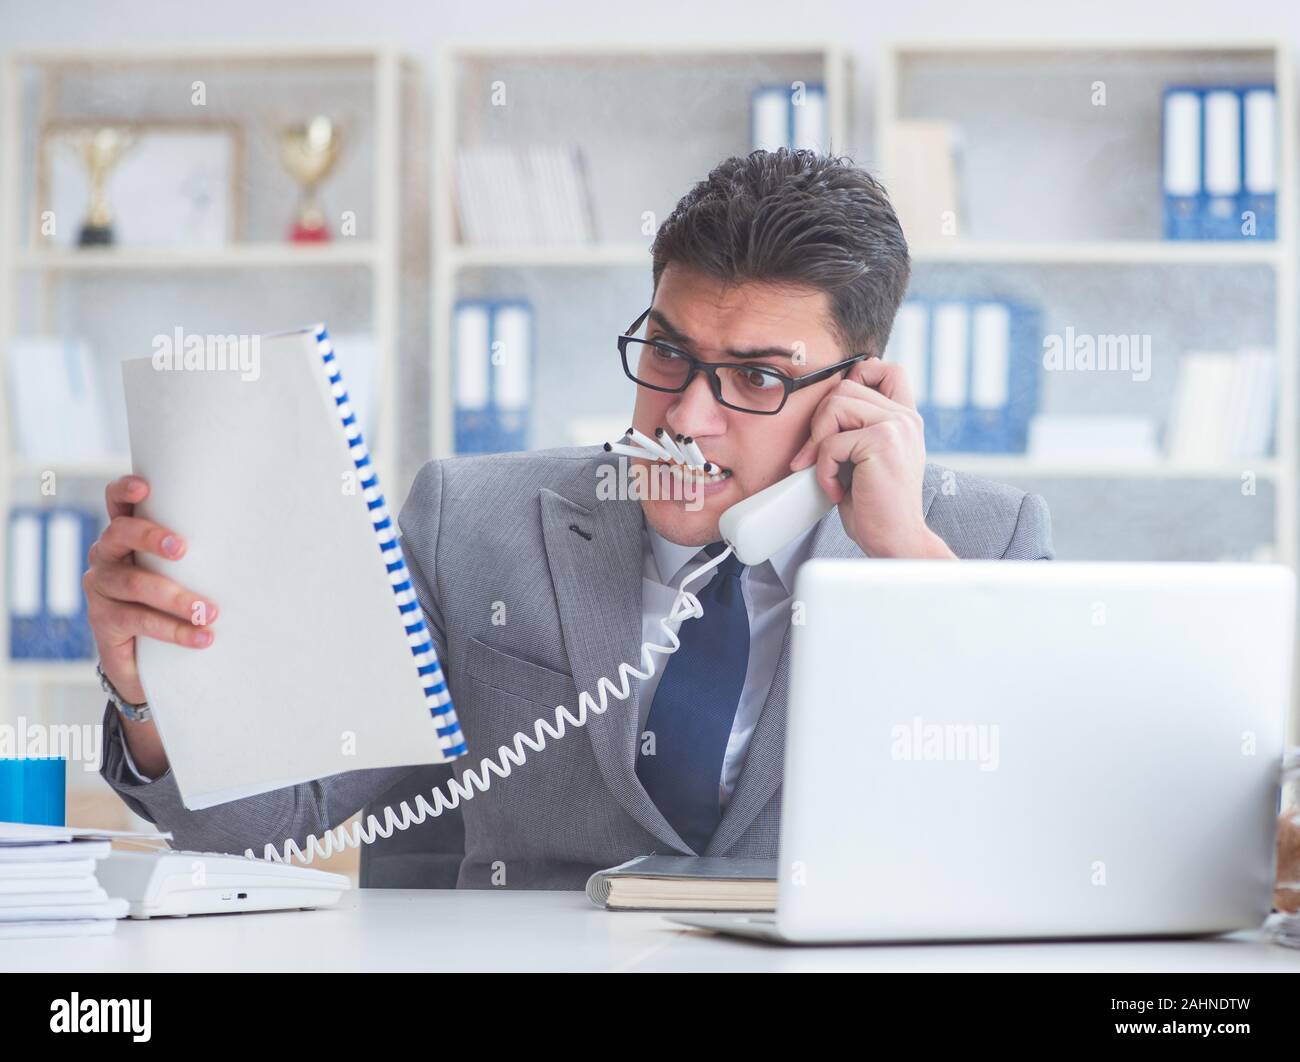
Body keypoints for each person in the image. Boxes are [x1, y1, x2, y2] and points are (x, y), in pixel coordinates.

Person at [87, 148, 1058, 889]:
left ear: (858, 391)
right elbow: (264, 822)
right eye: (668, 353)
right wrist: (150, 694)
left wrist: (906, 564)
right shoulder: (470, 519)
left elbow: (1038, 821)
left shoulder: (975, 544)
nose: (684, 417)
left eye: (757, 376)